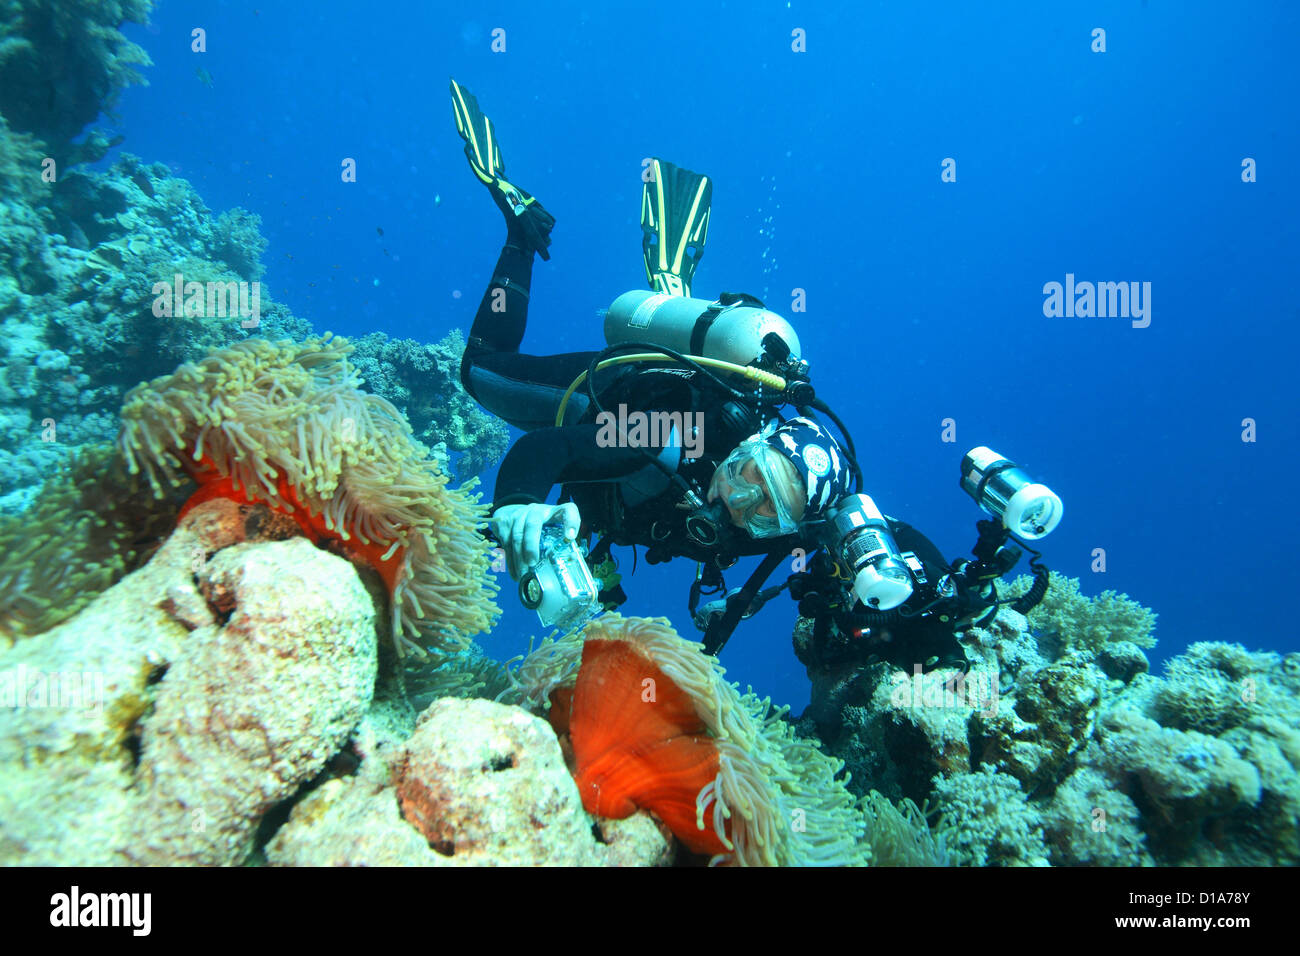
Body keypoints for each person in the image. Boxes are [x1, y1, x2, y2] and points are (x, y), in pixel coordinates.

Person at [448, 80, 1054, 663]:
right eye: (748, 474)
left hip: (623, 494)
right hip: (606, 401)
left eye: (765, 509)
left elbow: (881, 542)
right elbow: (549, 448)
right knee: (478, 372)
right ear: (749, 446)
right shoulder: (668, 432)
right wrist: (519, 503)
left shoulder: (796, 524)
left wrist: (938, 593)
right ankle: (521, 229)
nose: (737, 500)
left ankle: (677, 292)